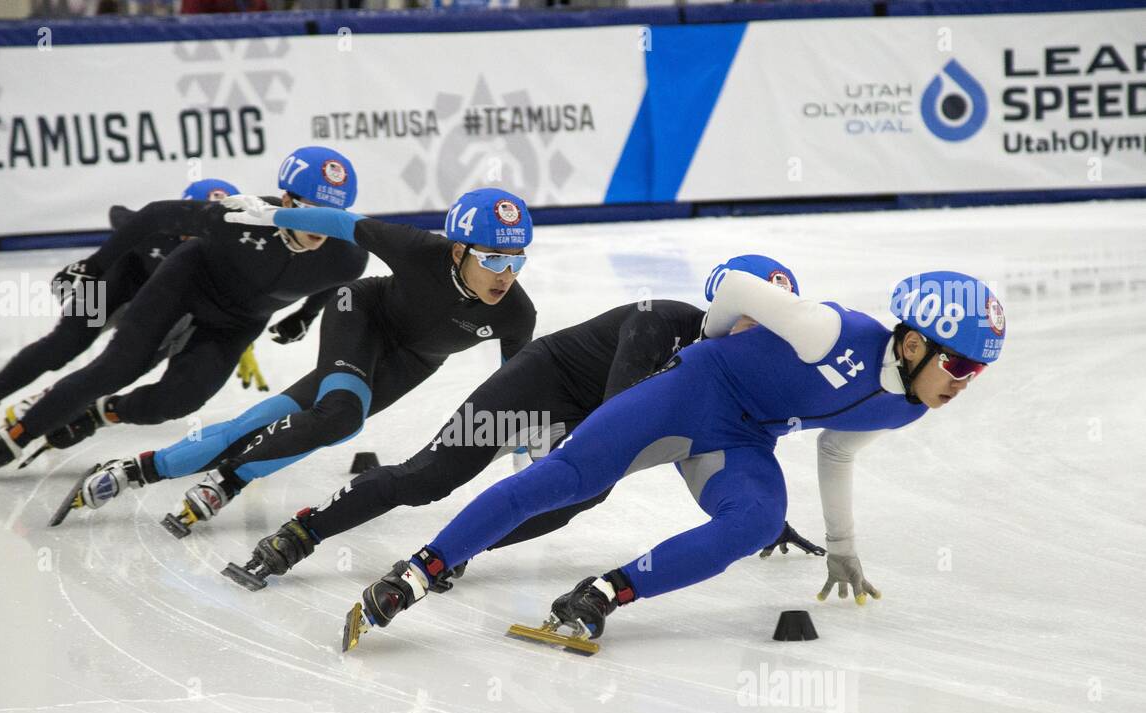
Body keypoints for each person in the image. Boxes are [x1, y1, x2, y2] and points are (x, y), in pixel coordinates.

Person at [341, 266, 1006, 651]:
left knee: (753, 522)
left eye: (977, 372)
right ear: (915, 342)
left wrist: (842, 547)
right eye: (959, 362)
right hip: (690, 389)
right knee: (572, 479)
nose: (963, 380)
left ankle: (601, 594)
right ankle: (418, 572)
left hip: (741, 440)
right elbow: (742, 287)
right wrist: (707, 354)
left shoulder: (907, 406)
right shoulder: (829, 332)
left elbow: (836, 449)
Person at [221, 255, 821, 590]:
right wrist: (557, 452)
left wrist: (757, 513)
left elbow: (722, 441)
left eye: (774, 323)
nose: (761, 336)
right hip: (541, 386)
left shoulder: (739, 368)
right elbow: (623, 419)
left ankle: (454, 552)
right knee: (430, 475)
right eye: (751, 320)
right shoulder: (658, 320)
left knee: (577, 497)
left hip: (591, 417)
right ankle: (303, 533)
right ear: (720, 309)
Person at [54, 187, 538, 538]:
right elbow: (346, 225)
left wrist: (522, 443)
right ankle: (221, 476)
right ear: (458, 250)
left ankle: (150, 470)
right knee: (342, 417)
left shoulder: (518, 313)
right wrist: (273, 219)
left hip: (411, 362)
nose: (505, 275)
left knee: (289, 419)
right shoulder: (418, 250)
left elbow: (516, 384)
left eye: (516, 261)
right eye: (494, 260)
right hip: (360, 314)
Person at [0, 146, 368, 481]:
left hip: (237, 321)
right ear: (286, 201)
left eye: (333, 216)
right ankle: (13, 435)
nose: (322, 226)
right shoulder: (243, 216)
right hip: (184, 285)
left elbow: (331, 284)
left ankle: (102, 413)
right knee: (111, 370)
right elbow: (152, 215)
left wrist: (306, 316)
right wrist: (94, 267)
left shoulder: (347, 258)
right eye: (312, 211)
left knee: (179, 401)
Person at [0, 178, 241, 436]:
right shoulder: (155, 231)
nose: (203, 237)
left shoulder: (226, 256)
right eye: (196, 227)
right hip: (117, 285)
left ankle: (50, 399)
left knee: (138, 357)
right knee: (63, 343)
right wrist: (90, 271)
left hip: (162, 305)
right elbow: (120, 215)